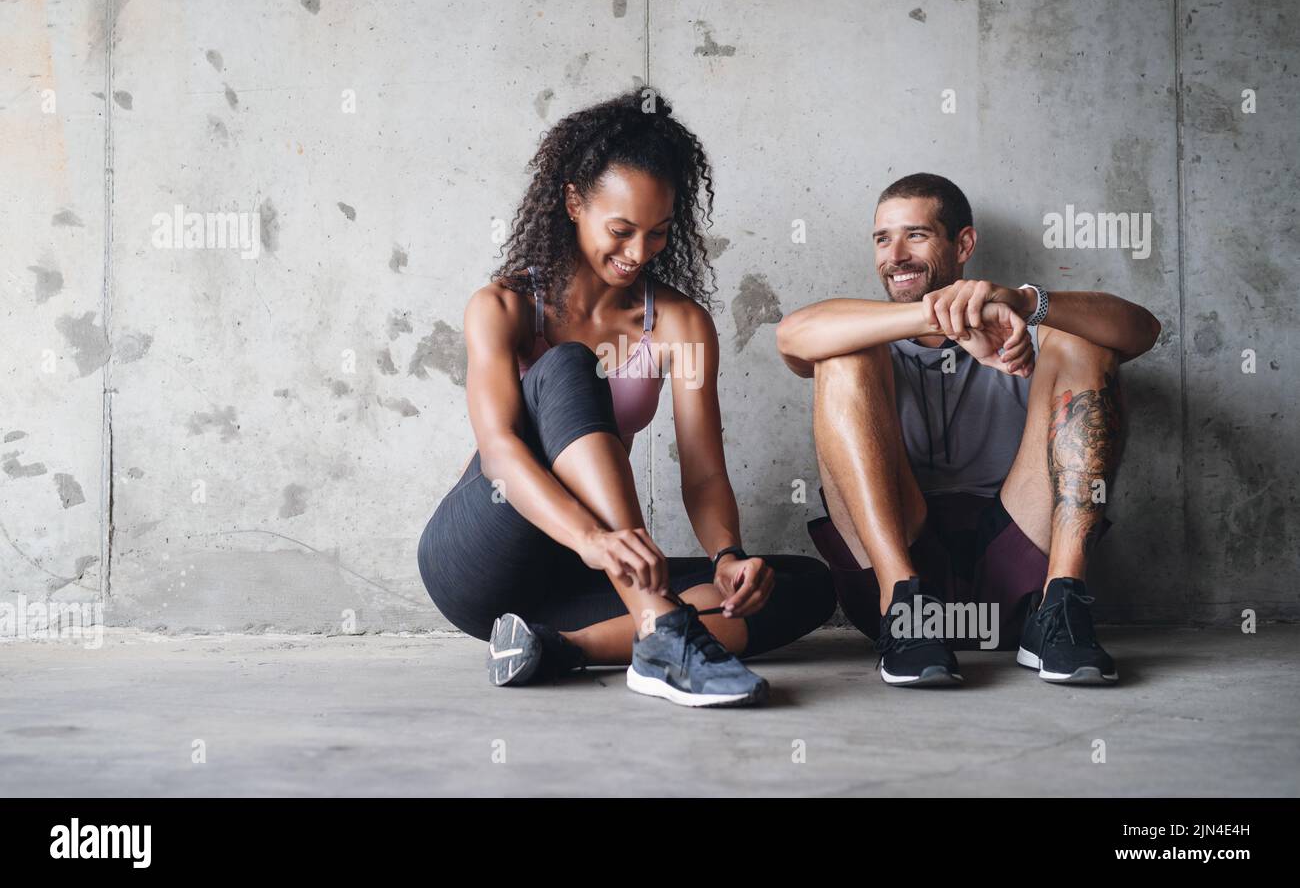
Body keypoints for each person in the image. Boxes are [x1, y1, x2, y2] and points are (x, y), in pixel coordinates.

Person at [417, 88, 836, 708]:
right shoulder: (503, 307)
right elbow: (500, 452)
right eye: (621, 230)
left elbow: (702, 471)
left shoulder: (679, 325)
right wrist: (590, 538)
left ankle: (562, 646)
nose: (638, 254)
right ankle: (662, 632)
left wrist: (728, 554)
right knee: (569, 365)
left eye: (658, 233)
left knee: (799, 585)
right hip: (488, 550)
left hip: (586, 579)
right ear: (573, 202)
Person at [776, 173, 1160, 687]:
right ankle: (904, 601)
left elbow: (1141, 331)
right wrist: (933, 318)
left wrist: (1022, 303)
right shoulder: (866, 333)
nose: (896, 254)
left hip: (1015, 575)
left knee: (1082, 342)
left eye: (915, 235)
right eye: (882, 239)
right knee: (842, 357)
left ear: (963, 244)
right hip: (897, 574)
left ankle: (1062, 605)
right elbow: (793, 336)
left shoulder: (1017, 326)